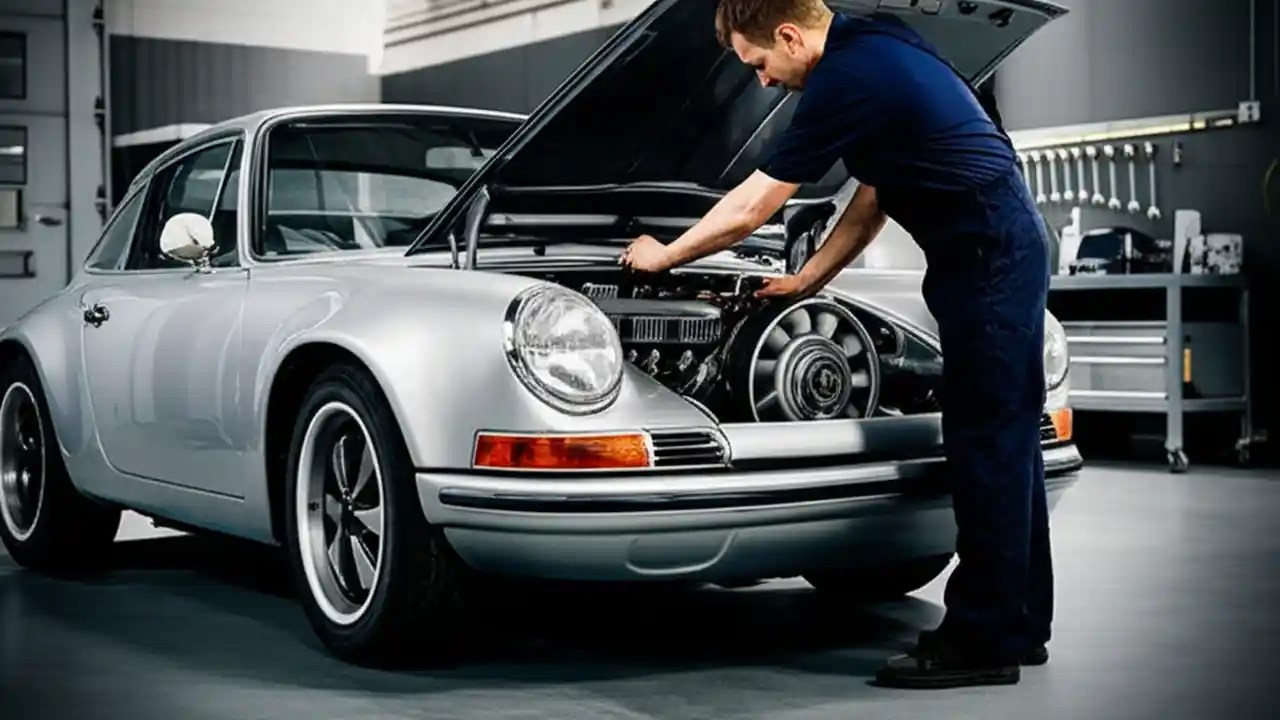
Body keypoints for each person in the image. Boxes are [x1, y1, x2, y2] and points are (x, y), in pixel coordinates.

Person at [620, 0, 1053, 689]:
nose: (762, 80)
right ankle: (1019, 624)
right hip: (995, 248)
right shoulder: (880, 40)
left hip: (988, 258)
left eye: (759, 63)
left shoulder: (845, 77)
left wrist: (664, 255)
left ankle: (982, 641)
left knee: (986, 443)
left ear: (790, 36)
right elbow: (875, 193)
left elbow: (752, 208)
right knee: (1007, 438)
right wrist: (809, 278)